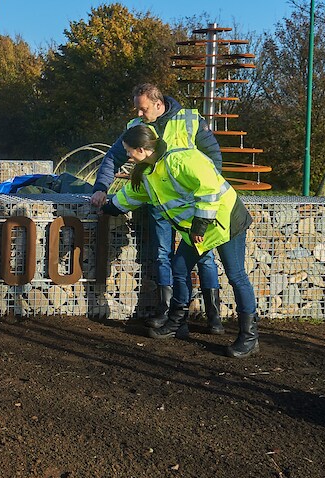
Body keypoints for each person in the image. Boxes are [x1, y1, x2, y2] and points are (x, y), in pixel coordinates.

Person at [101, 124, 258, 358]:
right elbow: (134, 195)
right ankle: (177, 322)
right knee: (179, 267)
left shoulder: (181, 159)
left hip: (226, 220)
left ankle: (249, 337)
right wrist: (108, 207)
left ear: (142, 150)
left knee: (235, 275)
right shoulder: (148, 172)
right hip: (199, 229)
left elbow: (210, 187)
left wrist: (200, 225)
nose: (127, 155)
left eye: (129, 151)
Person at [89, 84, 226, 335]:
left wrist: (204, 200)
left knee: (204, 256)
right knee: (163, 255)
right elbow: (113, 158)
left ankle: (213, 316)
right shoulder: (135, 127)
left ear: (158, 104)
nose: (139, 114)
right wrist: (101, 188)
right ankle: (168, 313)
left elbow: (213, 159)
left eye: (143, 109)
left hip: (191, 207)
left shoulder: (190, 120)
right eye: (137, 109)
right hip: (158, 204)